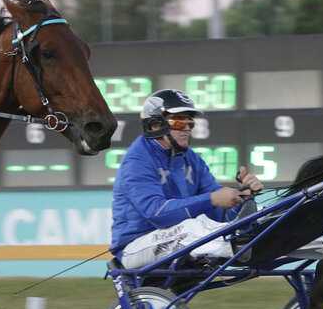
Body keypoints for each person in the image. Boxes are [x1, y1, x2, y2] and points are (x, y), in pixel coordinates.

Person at [110, 89, 263, 269]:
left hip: (175, 238)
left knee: (262, 213)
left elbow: (222, 214)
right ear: (154, 125)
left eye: (189, 123)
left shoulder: (191, 159)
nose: (186, 128)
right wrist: (212, 199)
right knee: (192, 228)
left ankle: (284, 237)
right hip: (134, 247)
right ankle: (244, 245)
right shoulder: (137, 160)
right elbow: (155, 213)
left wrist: (243, 198)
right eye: (177, 121)